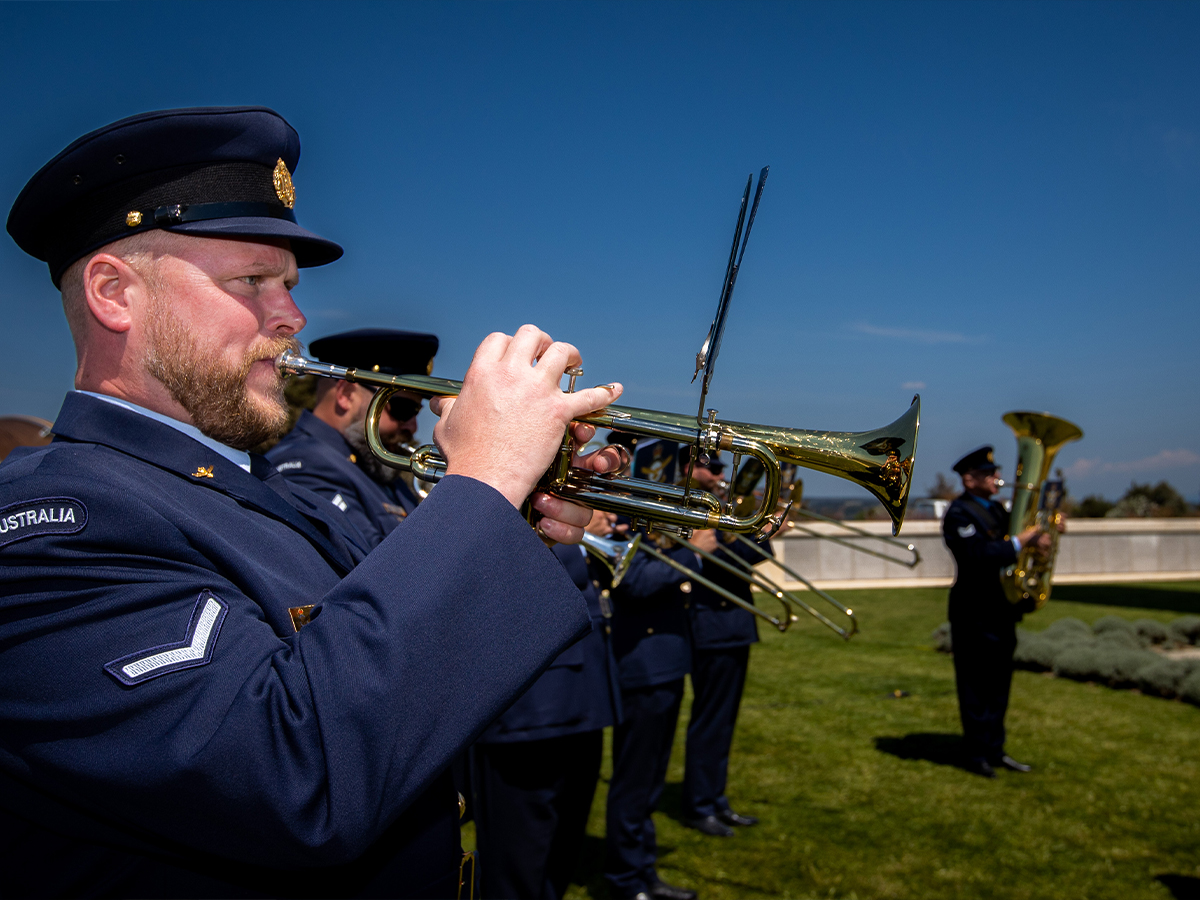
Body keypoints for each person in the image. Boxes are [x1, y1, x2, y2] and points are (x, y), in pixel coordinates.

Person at [0, 105, 624, 897]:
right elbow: (291, 777)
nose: (292, 316)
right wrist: (483, 481)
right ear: (114, 292)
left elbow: (363, 652)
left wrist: (503, 532)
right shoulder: (49, 524)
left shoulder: (237, 489)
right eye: (251, 282)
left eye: (288, 286)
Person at [471, 509, 623, 899]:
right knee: (516, 866)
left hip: (583, 694)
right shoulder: (499, 483)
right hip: (530, 705)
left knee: (558, 856)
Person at [604, 523, 707, 900]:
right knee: (635, 780)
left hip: (666, 663)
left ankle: (642, 871)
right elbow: (638, 582)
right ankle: (626, 878)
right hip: (642, 669)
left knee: (651, 781)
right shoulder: (618, 532)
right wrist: (692, 553)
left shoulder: (646, 532)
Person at [268, 328, 438, 547]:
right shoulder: (303, 469)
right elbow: (382, 570)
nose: (413, 427)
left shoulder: (378, 471)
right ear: (346, 395)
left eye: (416, 412)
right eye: (403, 409)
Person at [942, 445, 1051, 779]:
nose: (997, 479)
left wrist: (1041, 541)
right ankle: (976, 755)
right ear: (969, 479)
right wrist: (1021, 542)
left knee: (999, 687)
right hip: (973, 612)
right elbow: (978, 554)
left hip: (1002, 610)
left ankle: (995, 749)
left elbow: (1014, 548)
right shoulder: (960, 513)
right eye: (990, 474)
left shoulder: (999, 511)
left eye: (995, 473)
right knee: (975, 687)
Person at [678, 456, 766, 837]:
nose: (718, 476)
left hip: (735, 624)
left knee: (725, 721)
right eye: (708, 469)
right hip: (709, 623)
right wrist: (731, 532)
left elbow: (756, 557)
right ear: (688, 471)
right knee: (710, 719)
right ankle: (699, 804)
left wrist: (757, 521)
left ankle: (716, 799)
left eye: (719, 469)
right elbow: (712, 561)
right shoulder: (685, 509)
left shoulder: (728, 509)